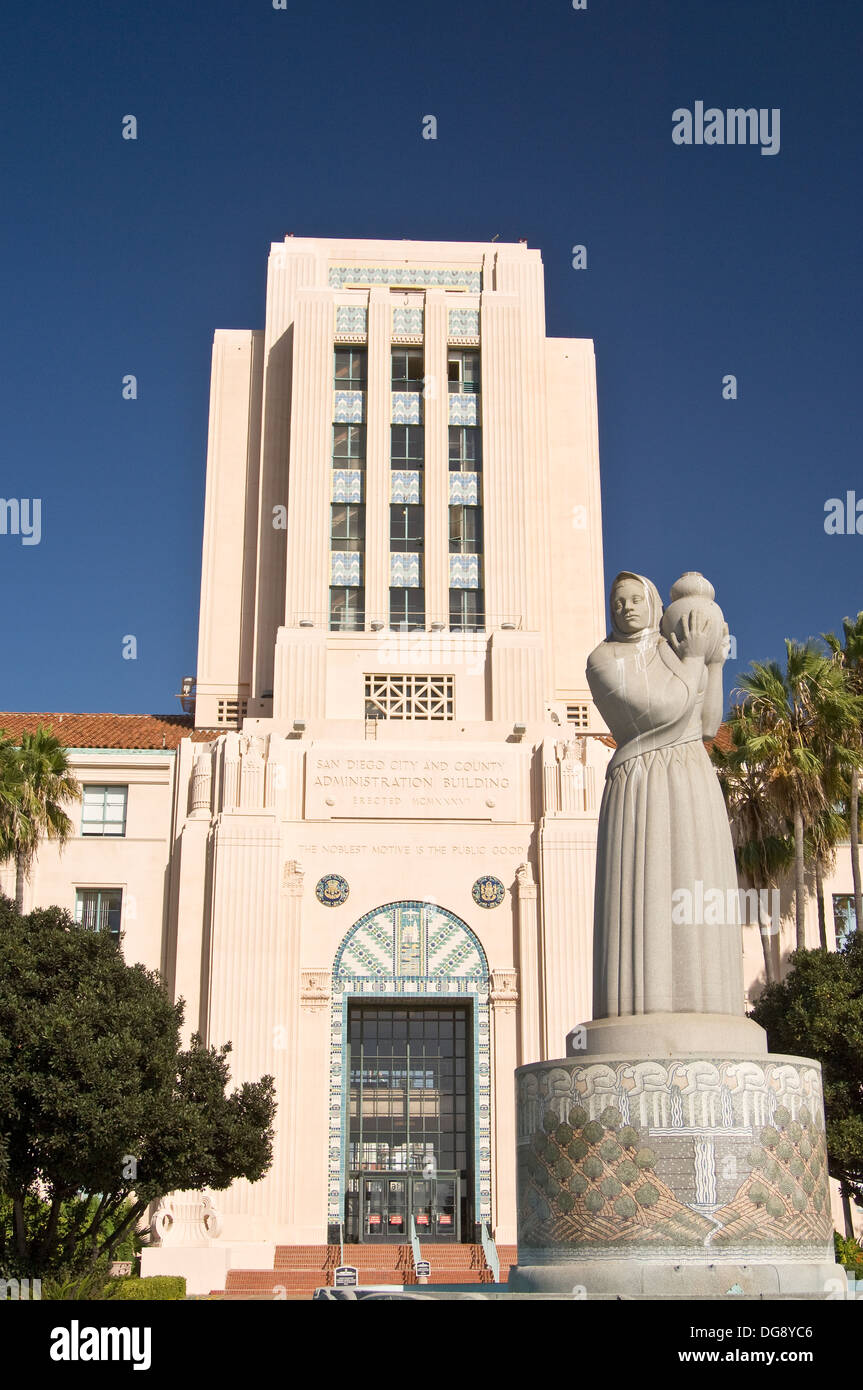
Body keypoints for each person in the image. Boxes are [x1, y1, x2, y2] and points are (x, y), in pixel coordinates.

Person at [585, 571, 743, 1018]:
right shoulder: (603, 659)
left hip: (692, 772)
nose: (628, 608)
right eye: (618, 602)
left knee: (700, 879)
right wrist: (696, 659)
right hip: (641, 780)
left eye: (636, 599)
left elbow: (708, 725)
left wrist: (714, 664)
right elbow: (664, 709)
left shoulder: (671, 651)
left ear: (654, 604)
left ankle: (714, 1018)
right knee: (644, 895)